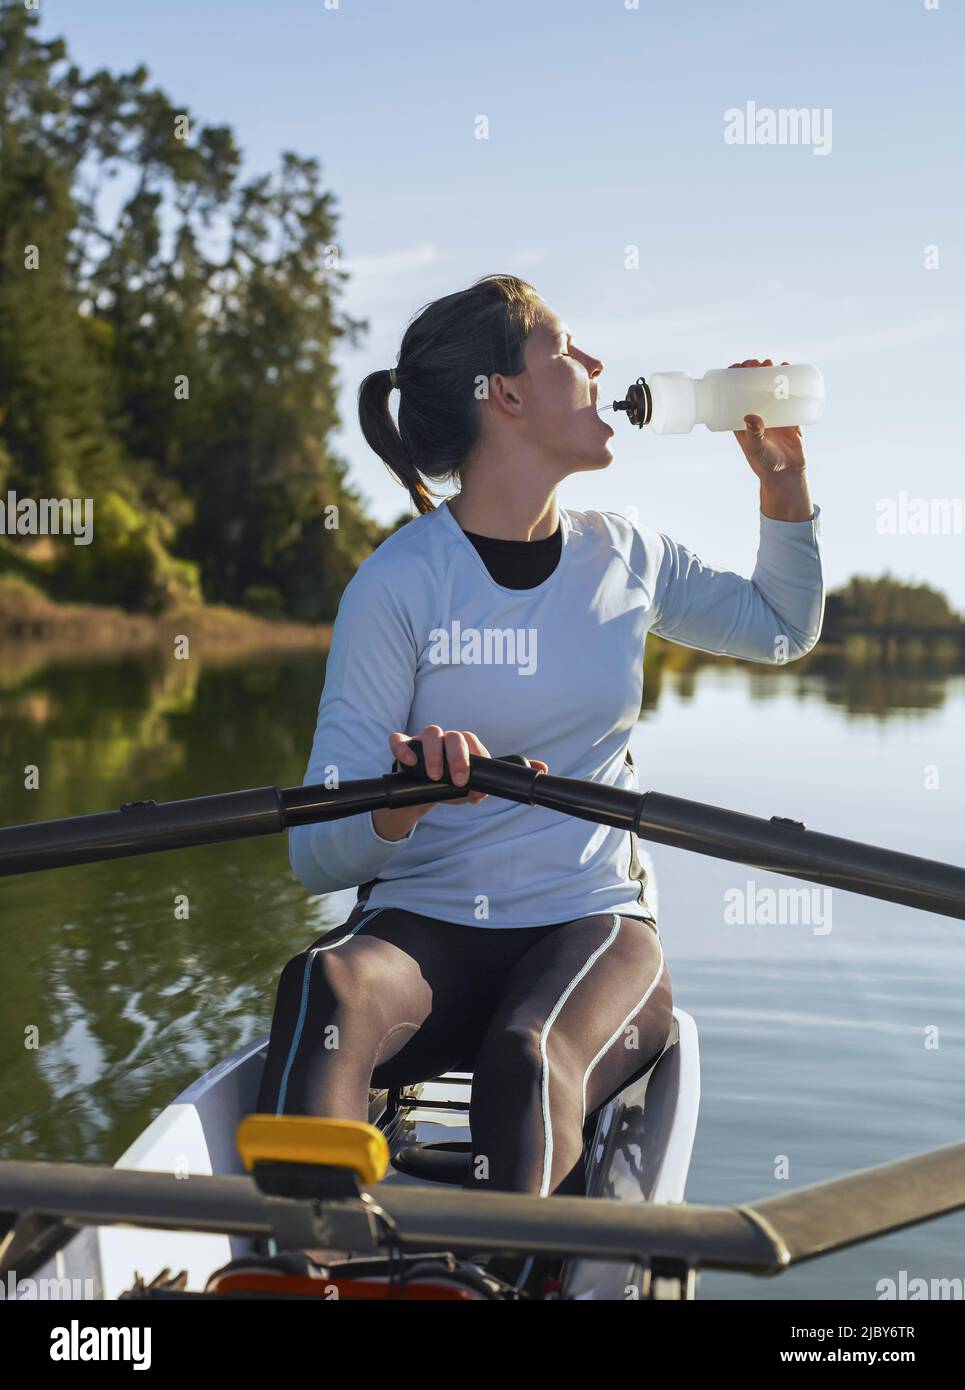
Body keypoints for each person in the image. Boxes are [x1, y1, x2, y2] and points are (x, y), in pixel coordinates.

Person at [256, 273, 824, 1201]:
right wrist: (404, 803)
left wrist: (784, 486)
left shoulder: (627, 554)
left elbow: (780, 627)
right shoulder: (397, 585)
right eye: (566, 350)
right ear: (505, 395)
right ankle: (306, 1256)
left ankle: (495, 1278)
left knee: (524, 1054)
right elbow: (318, 850)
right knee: (326, 986)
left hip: (589, 928)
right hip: (421, 936)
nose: (598, 366)